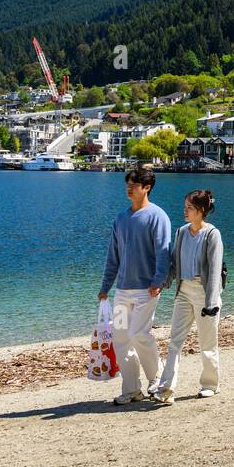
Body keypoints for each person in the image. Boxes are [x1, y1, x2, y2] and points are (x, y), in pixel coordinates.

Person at [98, 165, 172, 406]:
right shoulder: (121, 219)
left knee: (140, 334)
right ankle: (131, 389)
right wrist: (105, 287)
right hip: (122, 292)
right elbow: (113, 256)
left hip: (146, 291)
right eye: (127, 185)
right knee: (120, 337)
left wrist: (158, 281)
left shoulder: (157, 216)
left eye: (134, 185)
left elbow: (163, 253)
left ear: (147, 187)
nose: (129, 189)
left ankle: (158, 379)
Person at [150, 189, 224, 405]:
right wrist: (163, 284)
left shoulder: (212, 235)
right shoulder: (181, 232)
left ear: (200, 211)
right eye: (185, 207)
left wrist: (211, 304)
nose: (185, 211)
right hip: (184, 292)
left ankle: (210, 385)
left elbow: (215, 271)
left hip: (204, 293)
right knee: (175, 340)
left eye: (189, 208)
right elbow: (174, 263)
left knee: (208, 343)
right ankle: (166, 388)